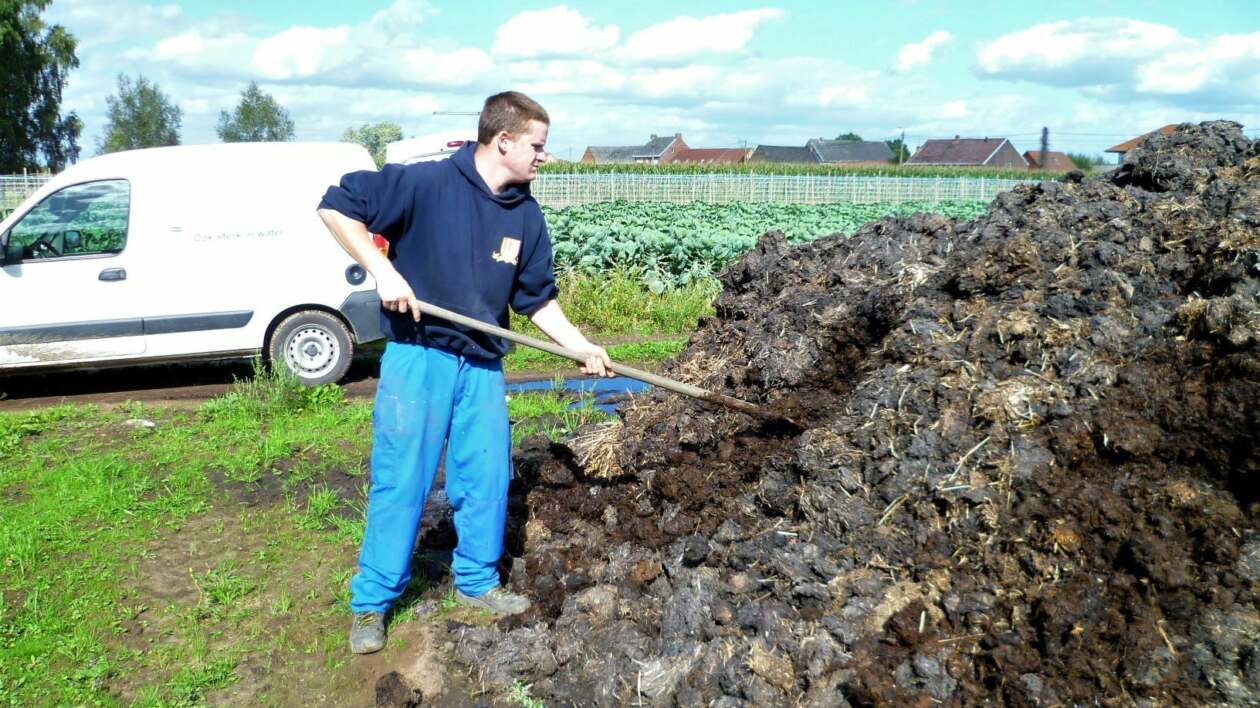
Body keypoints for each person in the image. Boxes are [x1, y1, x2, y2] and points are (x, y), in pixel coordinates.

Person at [317, 91, 613, 655]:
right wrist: (383, 271)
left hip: (481, 365)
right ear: (504, 140)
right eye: (537, 146)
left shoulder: (525, 214)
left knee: (487, 479)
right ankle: (372, 603)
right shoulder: (424, 185)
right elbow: (336, 205)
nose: (543, 158)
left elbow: (537, 300)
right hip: (418, 356)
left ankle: (477, 583)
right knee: (402, 479)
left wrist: (581, 346)